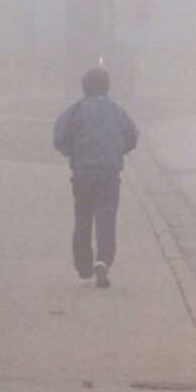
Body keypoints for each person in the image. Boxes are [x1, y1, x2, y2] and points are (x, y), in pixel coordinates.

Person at [52, 66, 140, 288]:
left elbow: (60, 138)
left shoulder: (75, 111)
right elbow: (132, 136)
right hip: (109, 173)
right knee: (106, 219)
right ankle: (103, 261)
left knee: (82, 219)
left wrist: (73, 152)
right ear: (107, 87)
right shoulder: (117, 111)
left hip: (83, 173)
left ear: (84, 88)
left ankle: (83, 268)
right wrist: (117, 151)